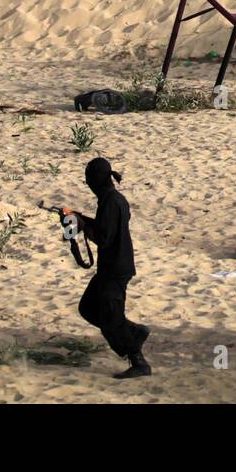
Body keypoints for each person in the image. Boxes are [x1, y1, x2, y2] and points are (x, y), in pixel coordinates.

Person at [63, 157, 150, 379]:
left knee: (111, 318)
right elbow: (105, 228)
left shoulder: (112, 201)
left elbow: (104, 237)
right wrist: (79, 218)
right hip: (111, 267)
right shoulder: (111, 199)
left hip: (116, 268)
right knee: (89, 308)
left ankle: (138, 361)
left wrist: (81, 224)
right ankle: (133, 331)